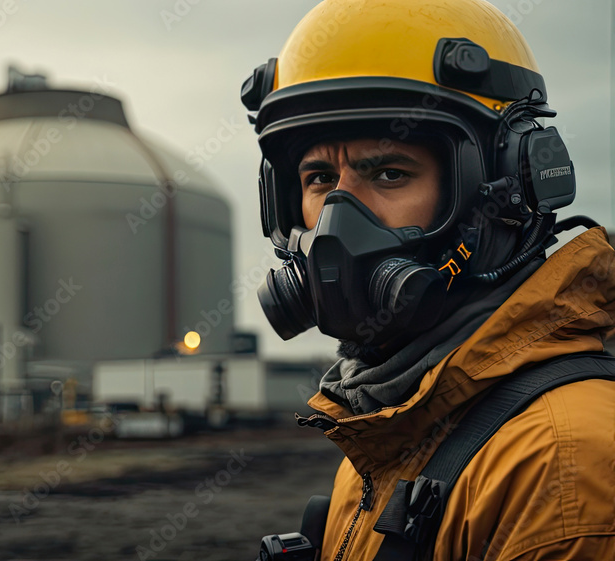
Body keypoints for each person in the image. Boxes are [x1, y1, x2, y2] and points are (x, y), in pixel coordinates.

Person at [241, 0, 615, 559]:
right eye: (319, 178)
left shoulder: (562, 465)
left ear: (506, 184)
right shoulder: (387, 420)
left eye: (389, 173)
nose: (338, 223)